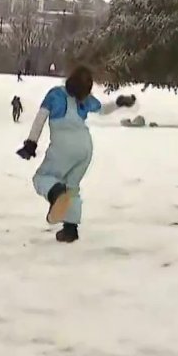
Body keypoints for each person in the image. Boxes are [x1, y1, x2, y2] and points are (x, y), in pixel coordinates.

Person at [16, 66, 136, 243]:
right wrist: (119, 103)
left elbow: (40, 118)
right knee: (72, 186)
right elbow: (102, 109)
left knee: (43, 177)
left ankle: (56, 195)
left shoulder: (55, 94)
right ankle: (70, 230)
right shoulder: (85, 100)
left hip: (64, 146)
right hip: (85, 147)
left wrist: (31, 143)